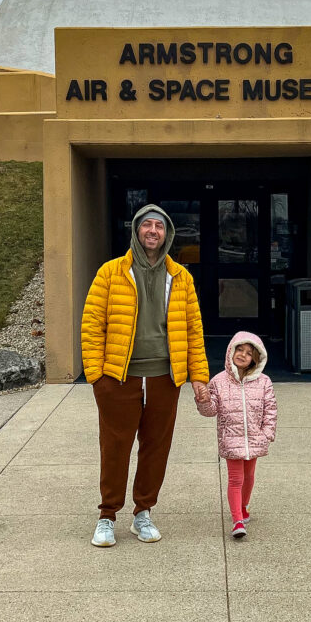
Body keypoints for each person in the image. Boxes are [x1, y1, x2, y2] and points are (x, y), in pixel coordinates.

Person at [81, 203, 210, 547]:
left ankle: (143, 513)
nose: (153, 231)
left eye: (160, 226)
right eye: (147, 225)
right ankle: (107, 515)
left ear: (167, 235)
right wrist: (97, 376)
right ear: (136, 231)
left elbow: (194, 330)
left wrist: (198, 377)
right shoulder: (110, 273)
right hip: (119, 379)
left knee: (156, 448)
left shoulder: (181, 277)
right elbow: (92, 326)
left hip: (164, 379)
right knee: (115, 449)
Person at [197, 330, 278, 539]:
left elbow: (270, 409)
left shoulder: (263, 382)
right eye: (239, 349)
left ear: (255, 358)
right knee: (236, 478)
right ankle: (237, 521)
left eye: (249, 353)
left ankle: (243, 507)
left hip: (254, 438)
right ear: (230, 351)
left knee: (249, 477)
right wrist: (204, 400)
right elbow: (211, 411)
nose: (243, 354)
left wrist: (267, 433)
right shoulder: (218, 381)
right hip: (231, 439)